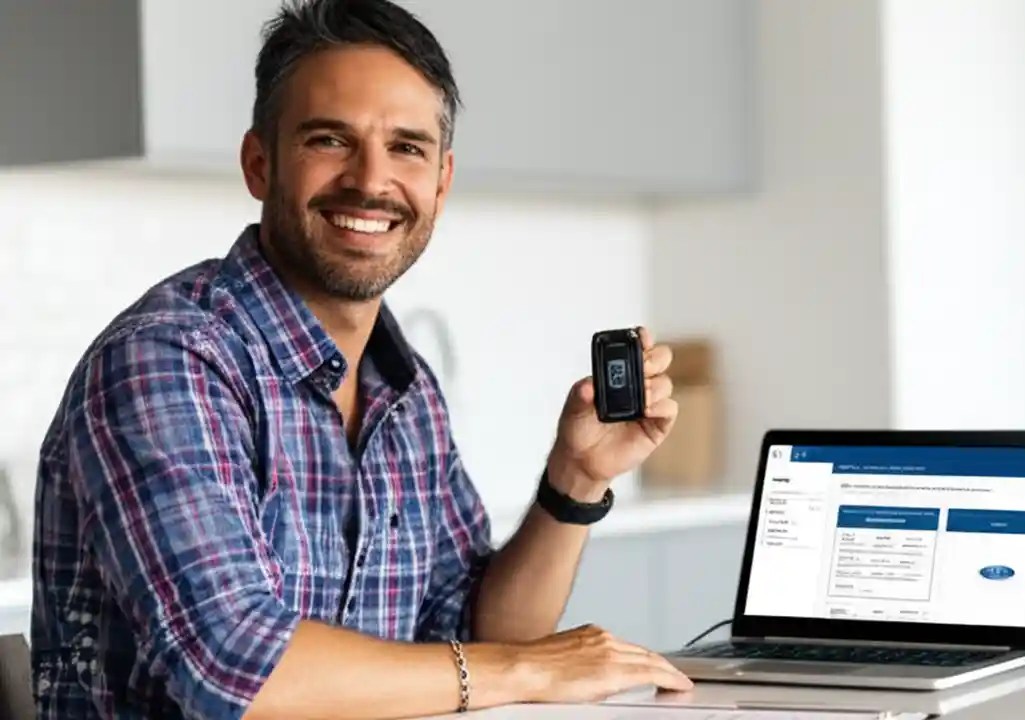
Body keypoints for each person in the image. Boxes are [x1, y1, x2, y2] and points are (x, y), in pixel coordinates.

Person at [28, 0, 693, 717]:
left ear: (441, 182)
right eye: (329, 140)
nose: (371, 180)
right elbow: (234, 667)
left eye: (407, 147)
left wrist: (576, 481)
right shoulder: (169, 361)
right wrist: (528, 672)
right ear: (260, 164)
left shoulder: (402, 387)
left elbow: (471, 636)